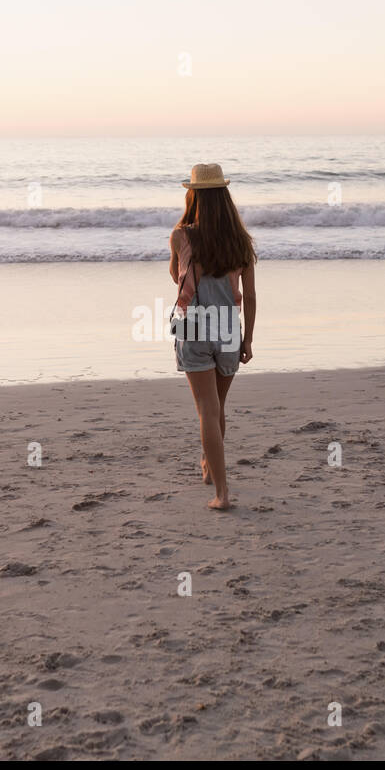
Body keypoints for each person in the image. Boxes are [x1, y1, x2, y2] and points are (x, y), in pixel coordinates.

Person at [169, 163, 257, 510]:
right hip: (228, 327)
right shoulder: (240, 240)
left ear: (193, 195)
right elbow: (249, 296)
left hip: (193, 325)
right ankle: (209, 465)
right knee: (217, 406)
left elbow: (176, 276)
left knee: (206, 408)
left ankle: (221, 492)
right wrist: (248, 339)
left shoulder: (182, 236)